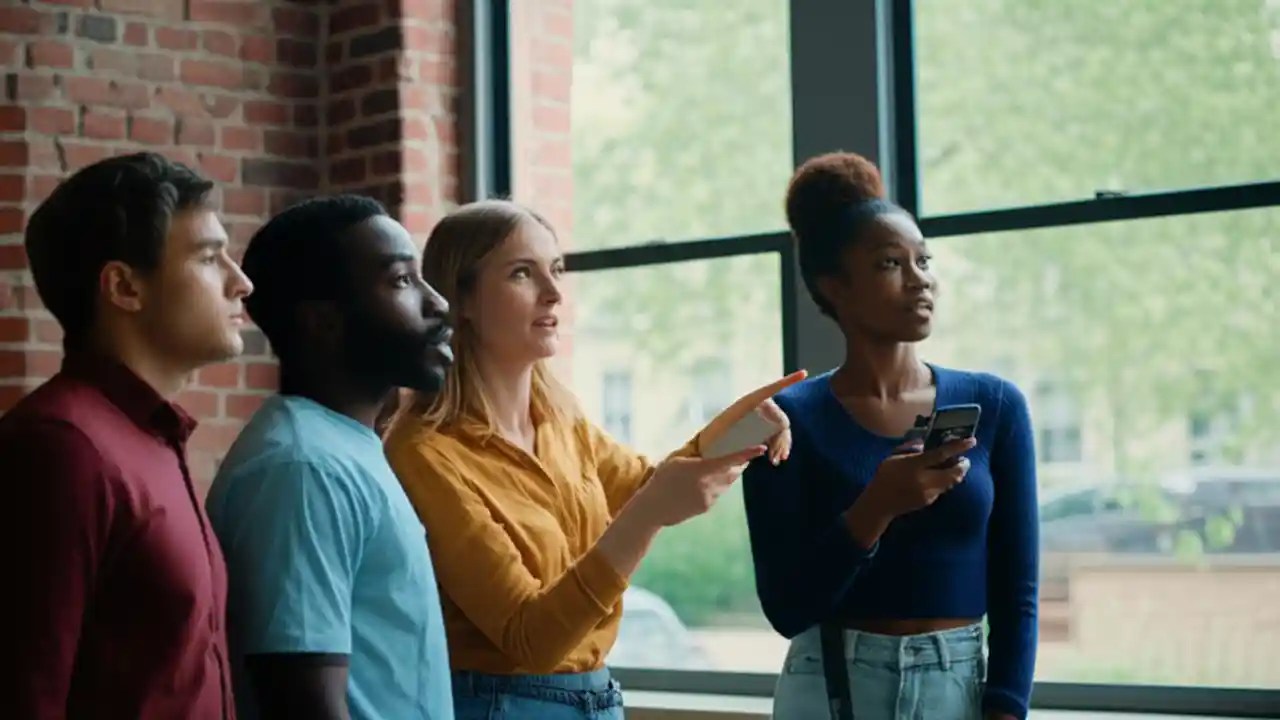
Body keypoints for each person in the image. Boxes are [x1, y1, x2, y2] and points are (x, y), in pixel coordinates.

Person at [383, 199, 803, 719]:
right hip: (502, 707)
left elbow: (650, 483)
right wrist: (647, 516)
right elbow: (530, 639)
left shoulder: (561, 418)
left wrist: (743, 424)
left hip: (598, 697)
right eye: (522, 273)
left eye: (555, 269)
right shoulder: (425, 454)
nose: (555, 292)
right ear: (461, 299)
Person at [743, 152, 1039, 720]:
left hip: (959, 684)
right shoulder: (785, 420)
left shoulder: (998, 405)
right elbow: (786, 607)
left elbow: (1017, 593)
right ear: (835, 288)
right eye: (889, 264)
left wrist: (1007, 708)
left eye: (923, 260)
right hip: (829, 683)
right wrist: (876, 507)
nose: (920, 278)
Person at [0, 153, 251, 719]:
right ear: (123, 287)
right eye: (211, 258)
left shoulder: (152, 438)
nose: (242, 282)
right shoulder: (60, 449)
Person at [205, 196, 455, 720]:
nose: (438, 305)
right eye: (402, 281)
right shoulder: (302, 468)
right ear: (322, 321)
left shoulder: (340, 446)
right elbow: (305, 706)